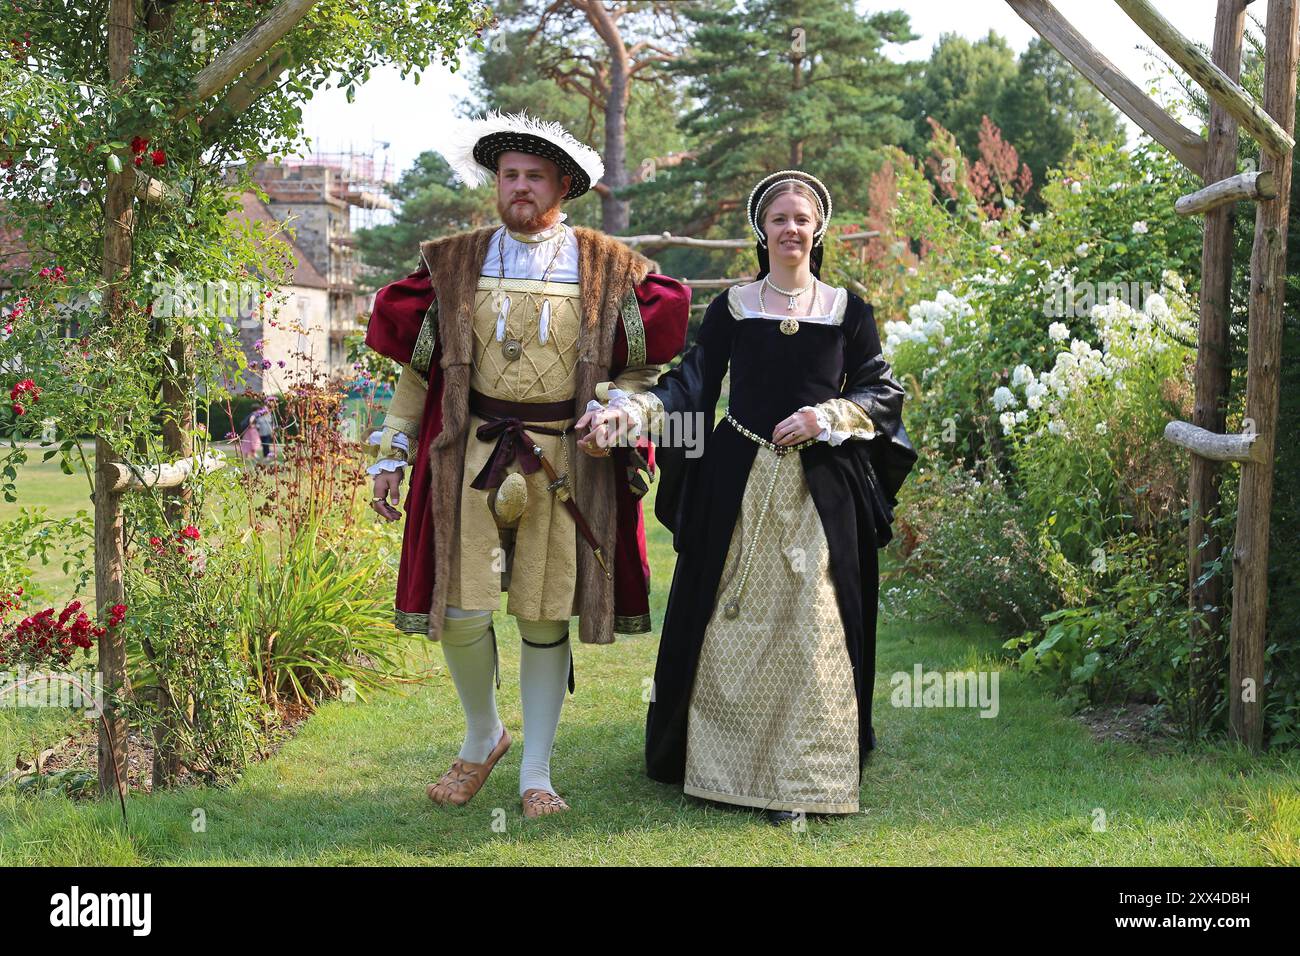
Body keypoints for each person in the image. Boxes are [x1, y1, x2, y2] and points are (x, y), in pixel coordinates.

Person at [363, 111, 690, 818]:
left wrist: (621, 416)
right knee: (458, 608)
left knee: (544, 618)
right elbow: (417, 380)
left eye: (532, 175)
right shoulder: (453, 264)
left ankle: (536, 774)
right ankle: (484, 734)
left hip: (563, 461)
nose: (516, 187)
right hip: (470, 455)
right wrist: (390, 454)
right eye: (507, 174)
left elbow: (643, 377)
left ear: (563, 184)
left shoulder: (612, 268)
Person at [578, 170, 916, 823]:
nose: (791, 228)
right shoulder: (733, 309)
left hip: (821, 491)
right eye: (780, 218)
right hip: (737, 480)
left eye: (802, 218)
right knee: (729, 617)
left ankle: (806, 774)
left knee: (817, 618)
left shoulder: (848, 309)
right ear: (761, 230)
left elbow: (883, 392)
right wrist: (634, 412)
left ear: (818, 230)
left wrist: (827, 416)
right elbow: (692, 387)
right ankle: (723, 765)